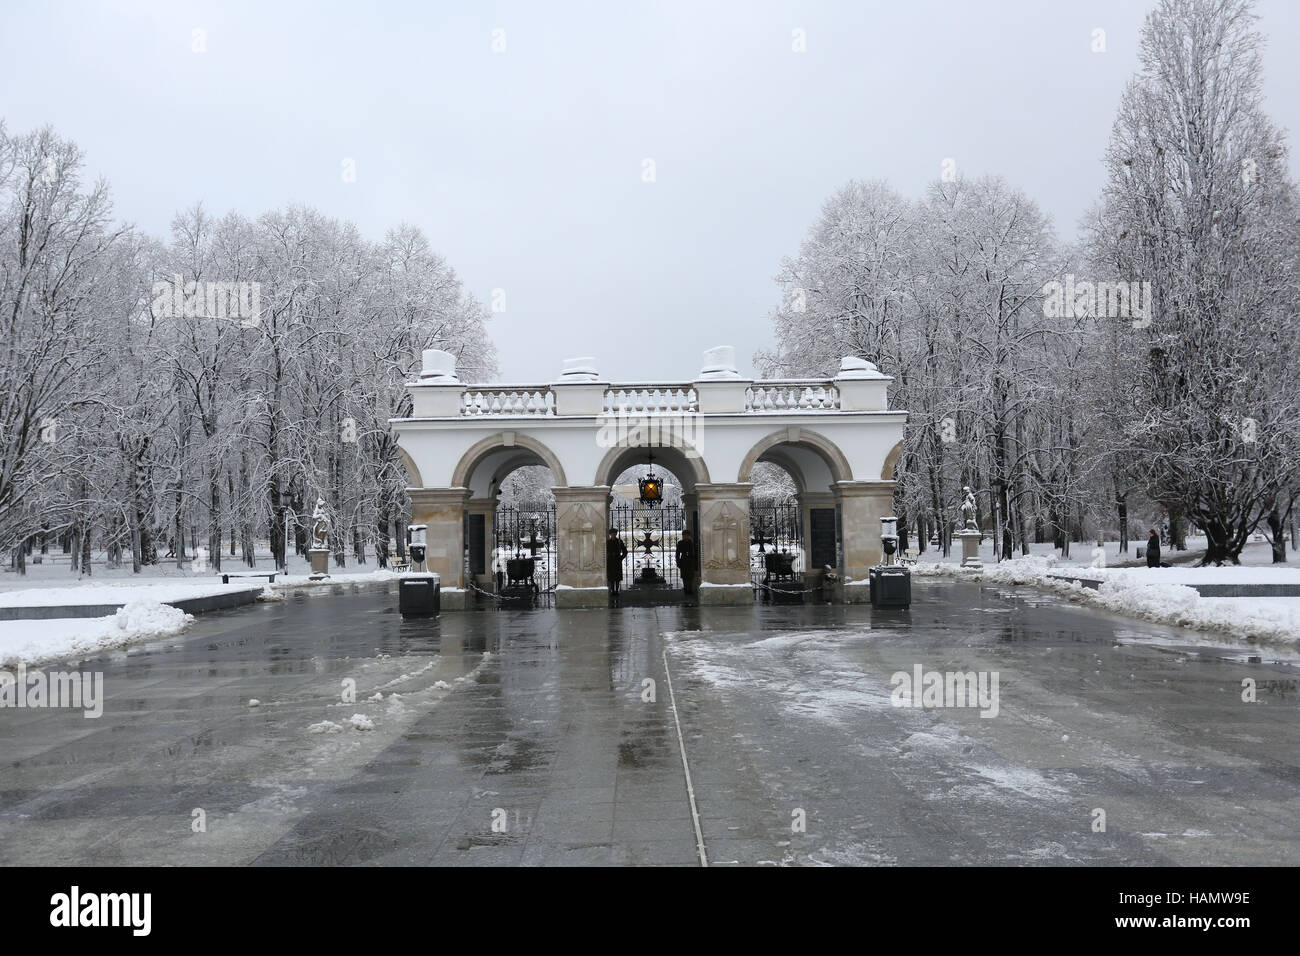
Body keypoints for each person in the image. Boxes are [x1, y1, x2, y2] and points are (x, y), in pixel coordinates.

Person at [606, 528, 628, 606]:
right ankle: (612, 591)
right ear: (610, 535)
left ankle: (616, 590)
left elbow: (625, 551)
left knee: (617, 577)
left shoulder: (619, 542)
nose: (613, 535)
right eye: (612, 534)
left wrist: (621, 558)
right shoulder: (607, 542)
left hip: (617, 560)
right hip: (610, 561)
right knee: (611, 577)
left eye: (615, 534)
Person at [676, 529, 698, 605]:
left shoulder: (692, 543)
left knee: (691, 575)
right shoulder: (680, 543)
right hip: (684, 561)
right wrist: (678, 562)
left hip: (691, 561)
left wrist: (696, 563)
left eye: (687, 535)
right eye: (684, 535)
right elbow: (677, 553)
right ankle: (686, 588)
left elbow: (694, 553)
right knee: (684, 576)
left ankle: (690, 588)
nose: (685, 537)